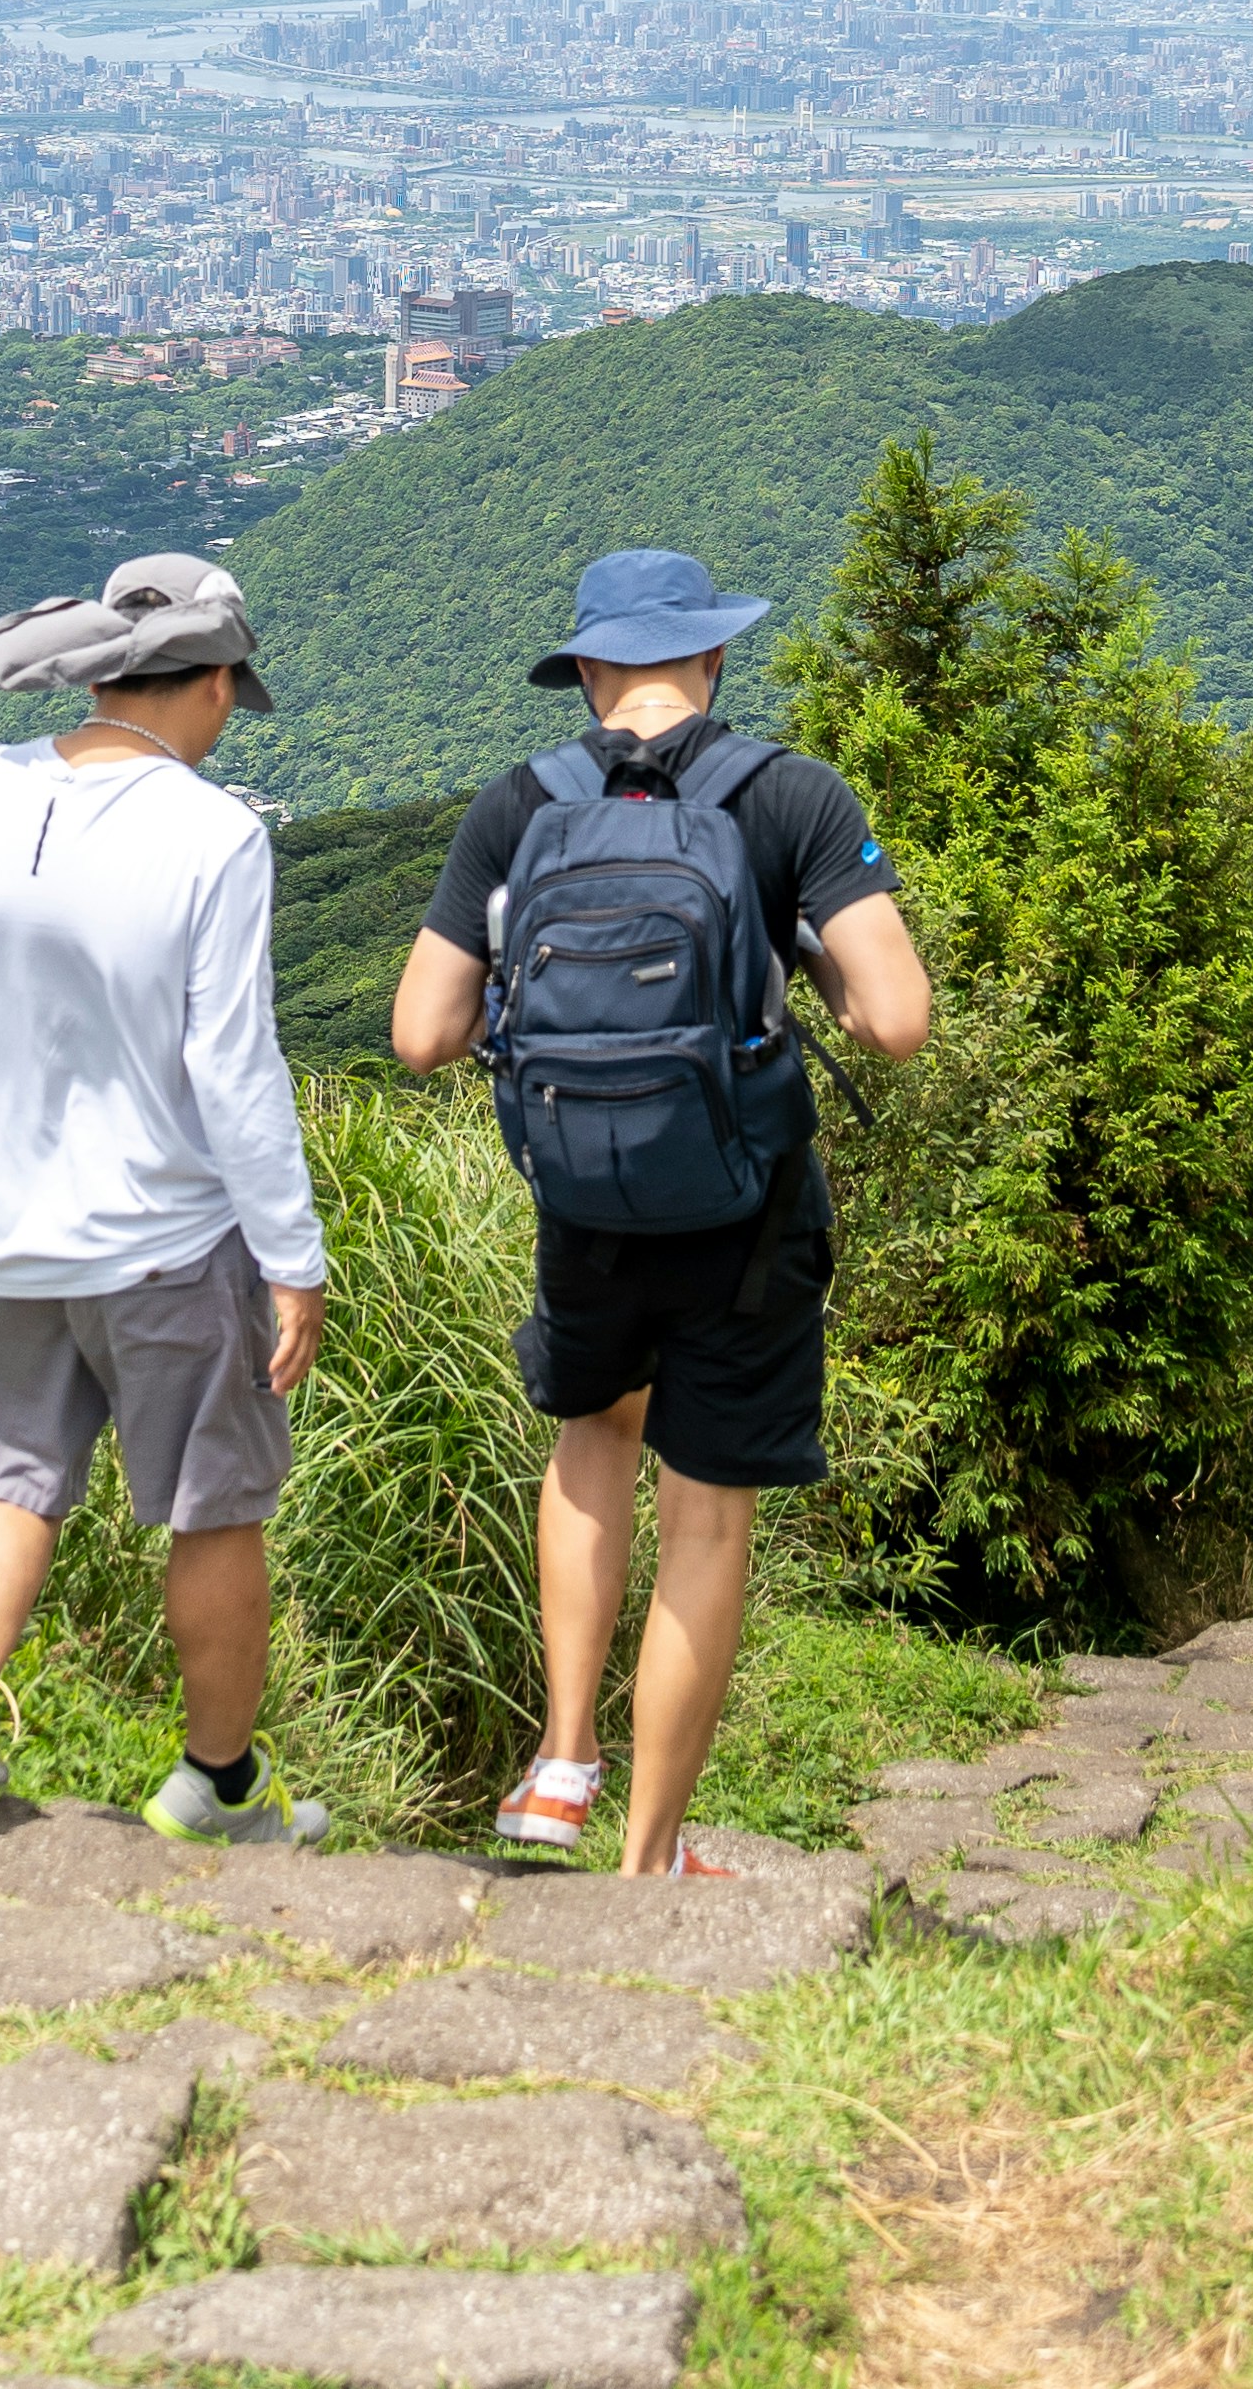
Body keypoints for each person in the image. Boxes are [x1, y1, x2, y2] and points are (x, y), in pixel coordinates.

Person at [390, 549, 932, 1876]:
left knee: (591, 1443)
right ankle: (646, 1859)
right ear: (714, 662)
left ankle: (560, 1760)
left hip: (584, 1200)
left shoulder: (521, 805)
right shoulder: (792, 795)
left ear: (583, 675)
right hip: (745, 1212)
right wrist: (792, 966)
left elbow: (418, 1033)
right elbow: (896, 1020)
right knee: (707, 1517)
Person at [0, 553, 333, 1848]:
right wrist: (293, 1258)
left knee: (7, 1480)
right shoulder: (215, 833)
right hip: (167, 1238)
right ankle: (215, 1788)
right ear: (220, 684)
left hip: (5, 1228)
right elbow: (232, 1065)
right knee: (213, 1499)